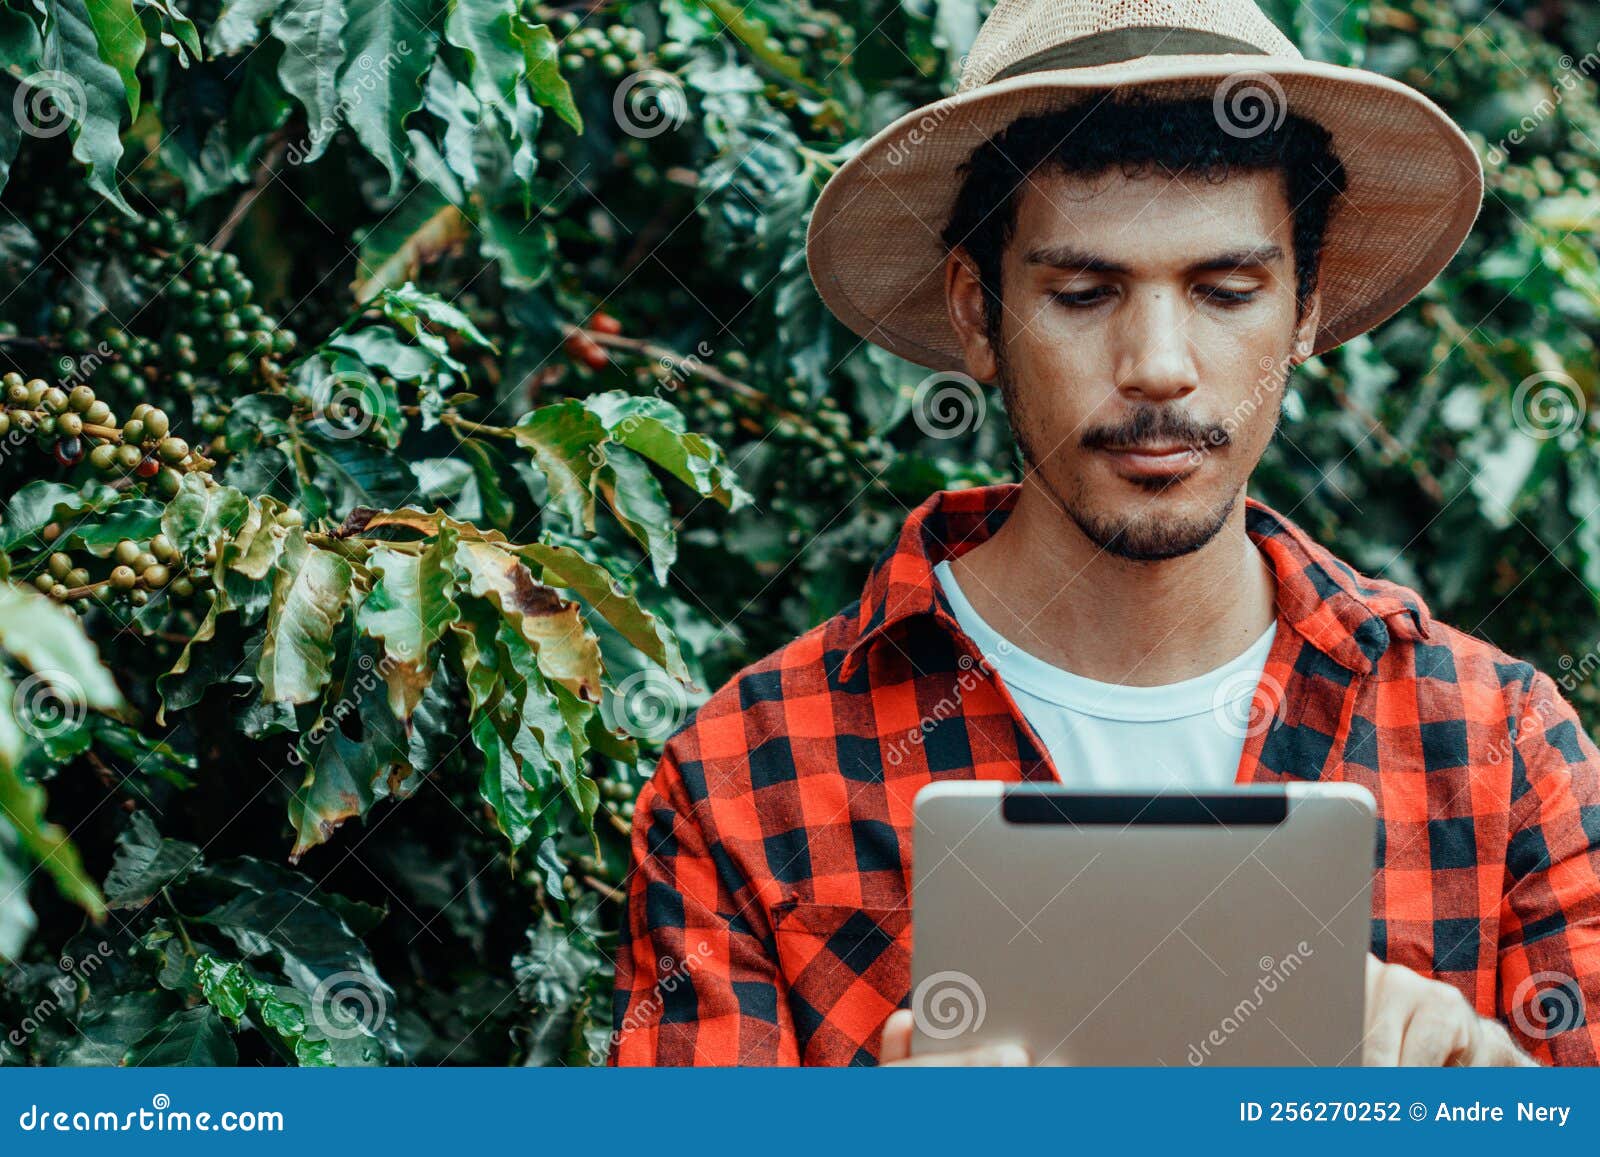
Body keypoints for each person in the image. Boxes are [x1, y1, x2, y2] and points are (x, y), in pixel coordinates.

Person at [610, 0, 1600, 1066]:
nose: (1158, 366)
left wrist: (1491, 1098)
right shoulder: (744, 776)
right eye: (1083, 294)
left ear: (1306, 307)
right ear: (977, 313)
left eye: (1227, 291)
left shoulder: (1498, 749)